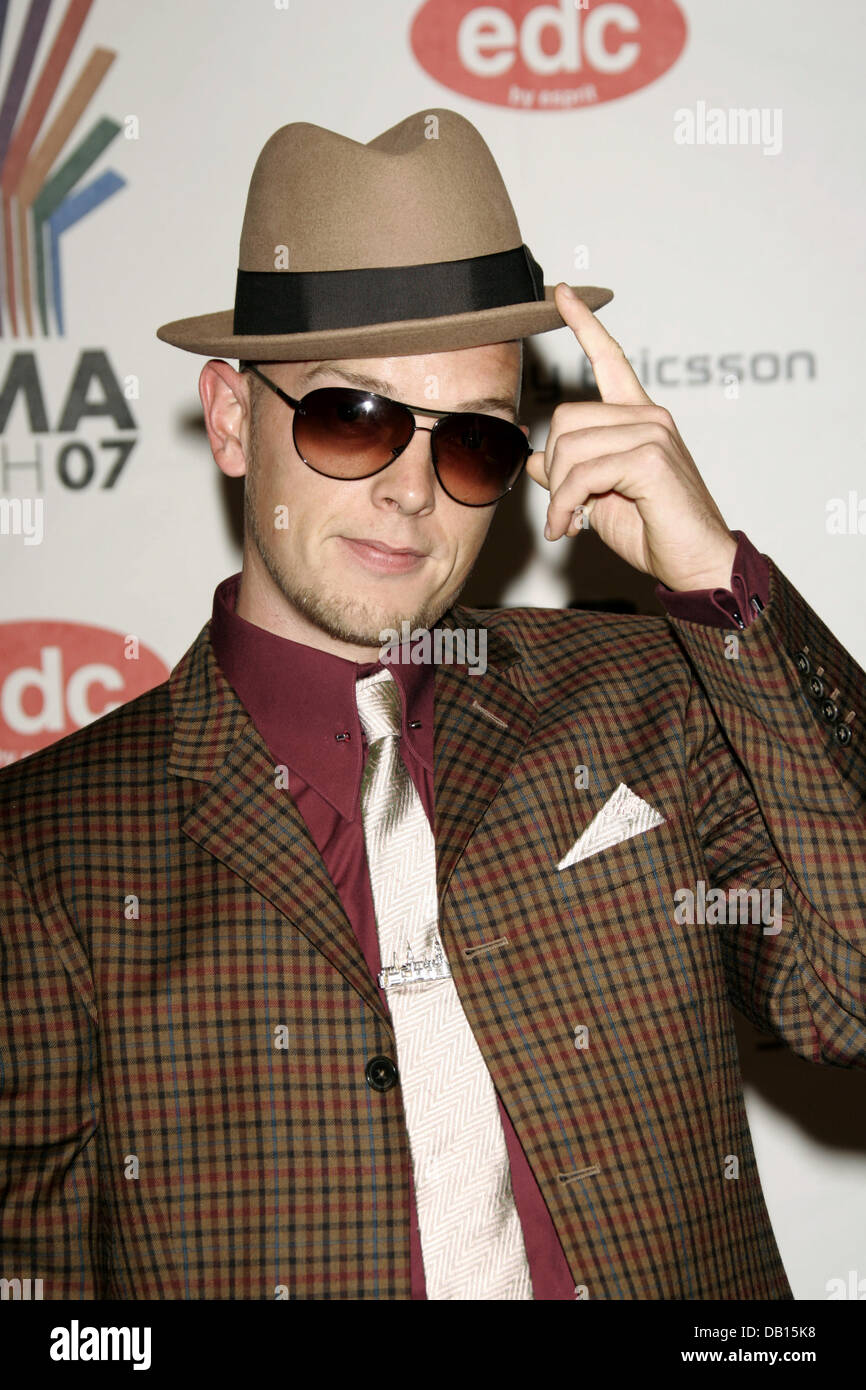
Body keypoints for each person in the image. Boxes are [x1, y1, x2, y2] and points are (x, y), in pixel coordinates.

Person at [1, 108, 864, 1302]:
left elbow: (849, 997)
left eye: (469, 442)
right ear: (232, 417)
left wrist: (715, 579)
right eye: (351, 418)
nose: (412, 491)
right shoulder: (45, 852)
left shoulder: (646, 694)